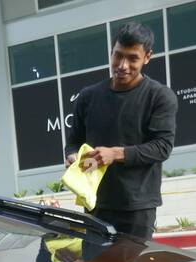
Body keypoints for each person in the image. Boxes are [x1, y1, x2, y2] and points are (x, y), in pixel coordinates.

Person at [64, 21, 177, 239]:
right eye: (118, 55)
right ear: (111, 52)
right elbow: (74, 140)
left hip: (136, 209)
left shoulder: (159, 97)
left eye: (132, 58)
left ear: (147, 57)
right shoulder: (88, 97)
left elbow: (162, 147)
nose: (122, 65)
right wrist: (72, 156)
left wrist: (115, 154)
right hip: (94, 203)